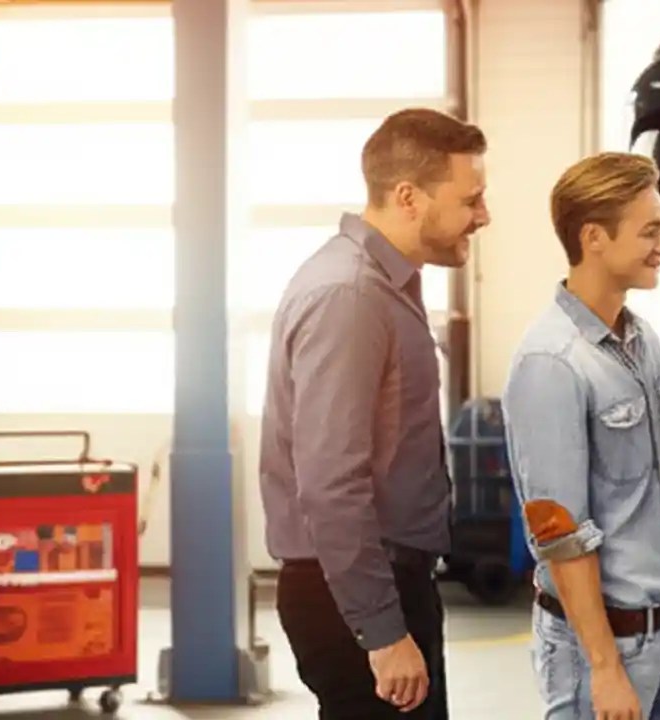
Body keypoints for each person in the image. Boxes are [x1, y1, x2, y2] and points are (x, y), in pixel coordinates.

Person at [258, 107, 490, 719]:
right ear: (409, 197)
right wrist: (383, 632)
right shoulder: (351, 295)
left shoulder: (386, 287)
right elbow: (331, 482)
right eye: (472, 199)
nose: (483, 216)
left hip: (385, 580)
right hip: (355, 591)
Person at [502, 152, 660, 720]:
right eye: (651, 231)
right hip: (607, 648)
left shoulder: (644, 342)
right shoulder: (552, 362)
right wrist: (606, 666)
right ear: (594, 237)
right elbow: (561, 536)